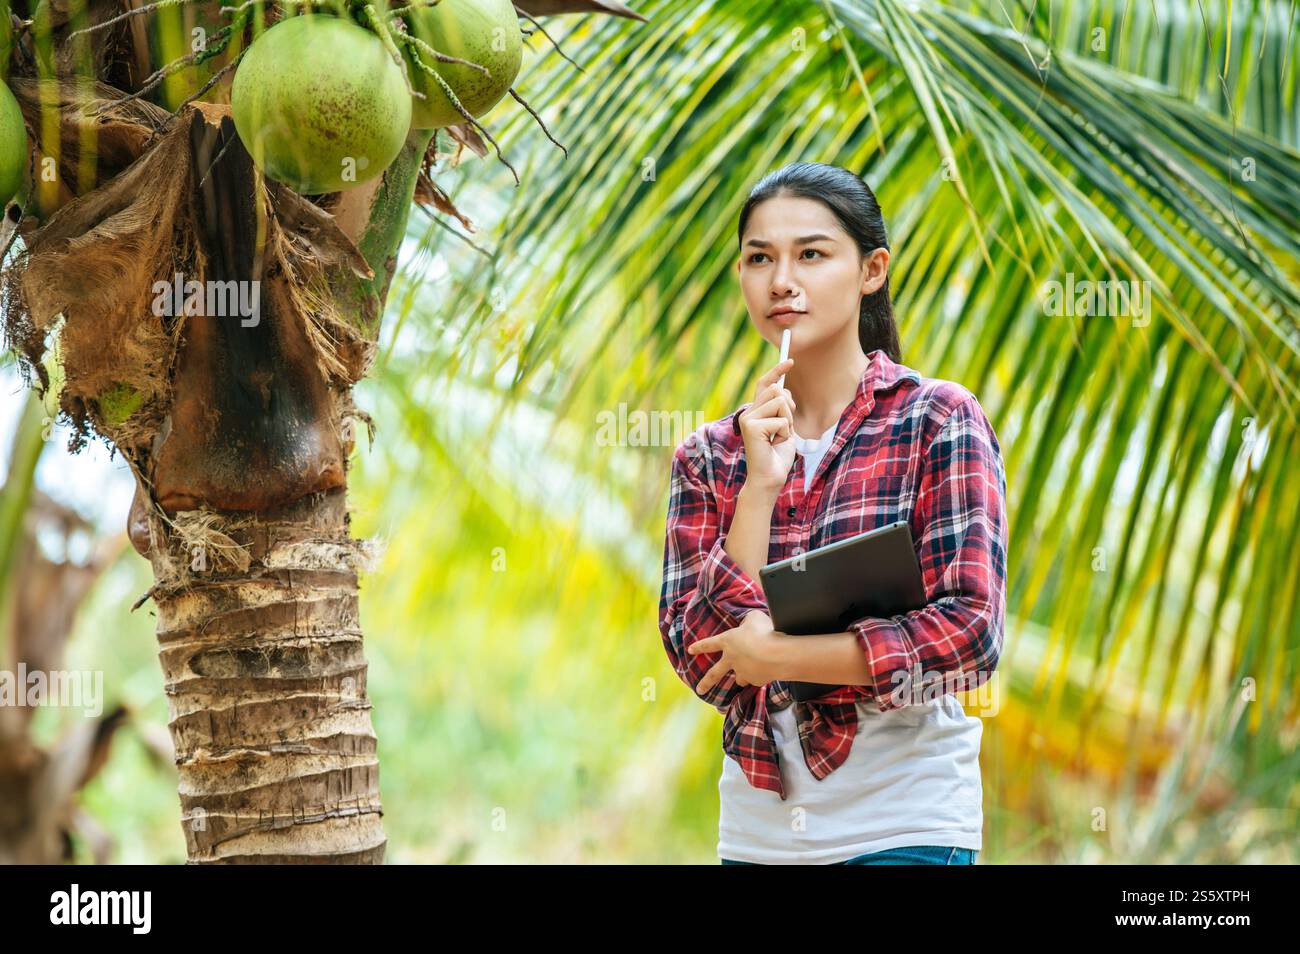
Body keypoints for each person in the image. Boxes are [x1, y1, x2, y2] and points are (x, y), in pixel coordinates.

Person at [657, 161, 1008, 865]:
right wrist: (759, 486)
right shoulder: (709, 456)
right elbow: (701, 657)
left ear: (871, 270)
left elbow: (969, 636)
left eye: (811, 254)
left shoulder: (938, 420)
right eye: (760, 258)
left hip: (905, 826)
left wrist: (779, 657)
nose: (781, 279)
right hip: (758, 836)